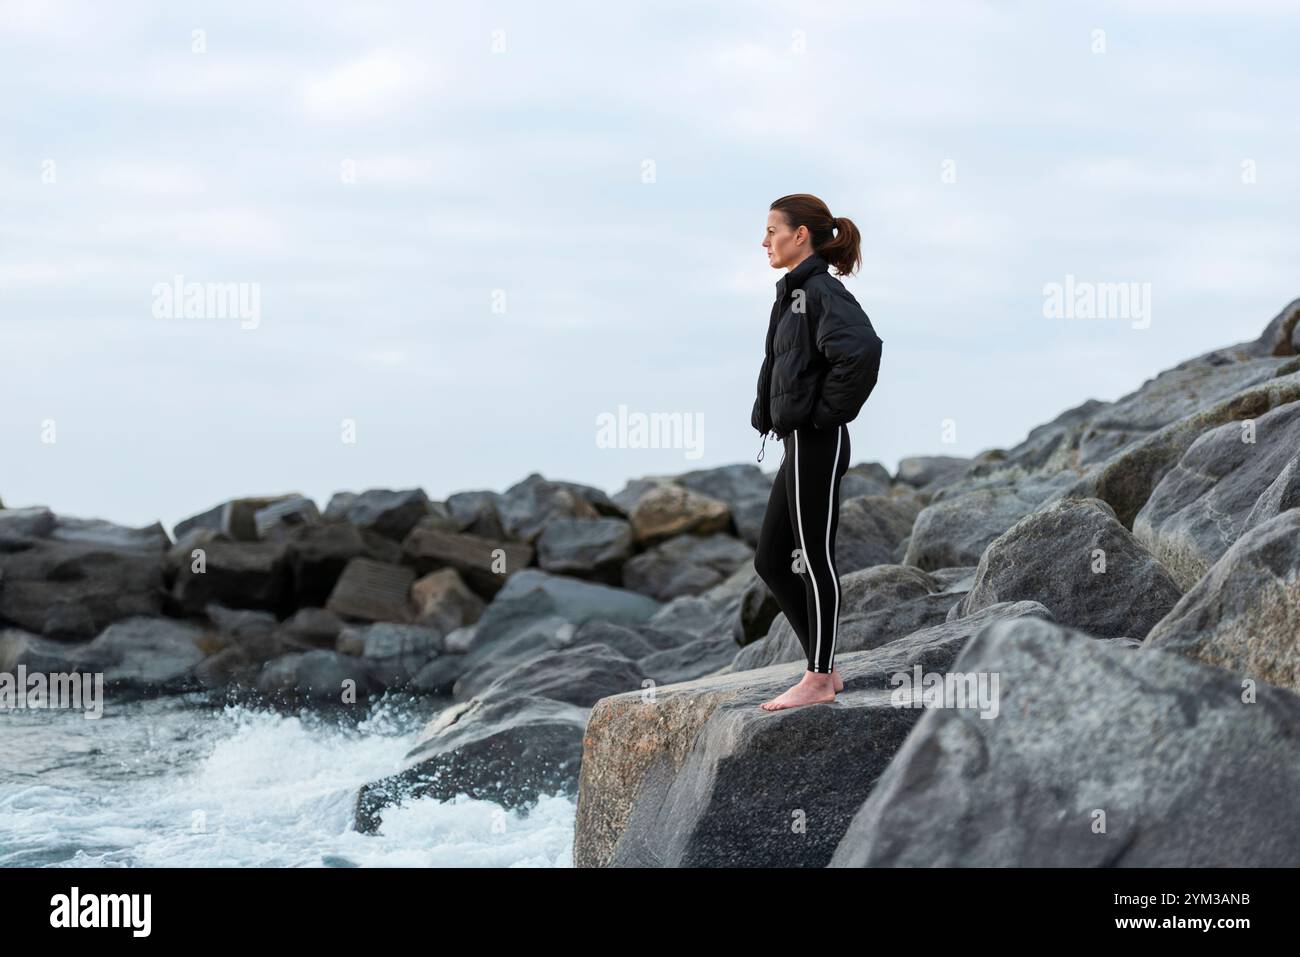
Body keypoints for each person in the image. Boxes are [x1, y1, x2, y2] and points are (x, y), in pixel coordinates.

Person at [750, 193, 883, 711]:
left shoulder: (822, 290)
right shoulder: (795, 293)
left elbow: (862, 351)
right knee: (771, 560)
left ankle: (819, 677)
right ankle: (822, 666)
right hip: (798, 440)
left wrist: (822, 415)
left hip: (816, 440)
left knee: (814, 559)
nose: (764, 242)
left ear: (799, 235)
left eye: (772, 231)